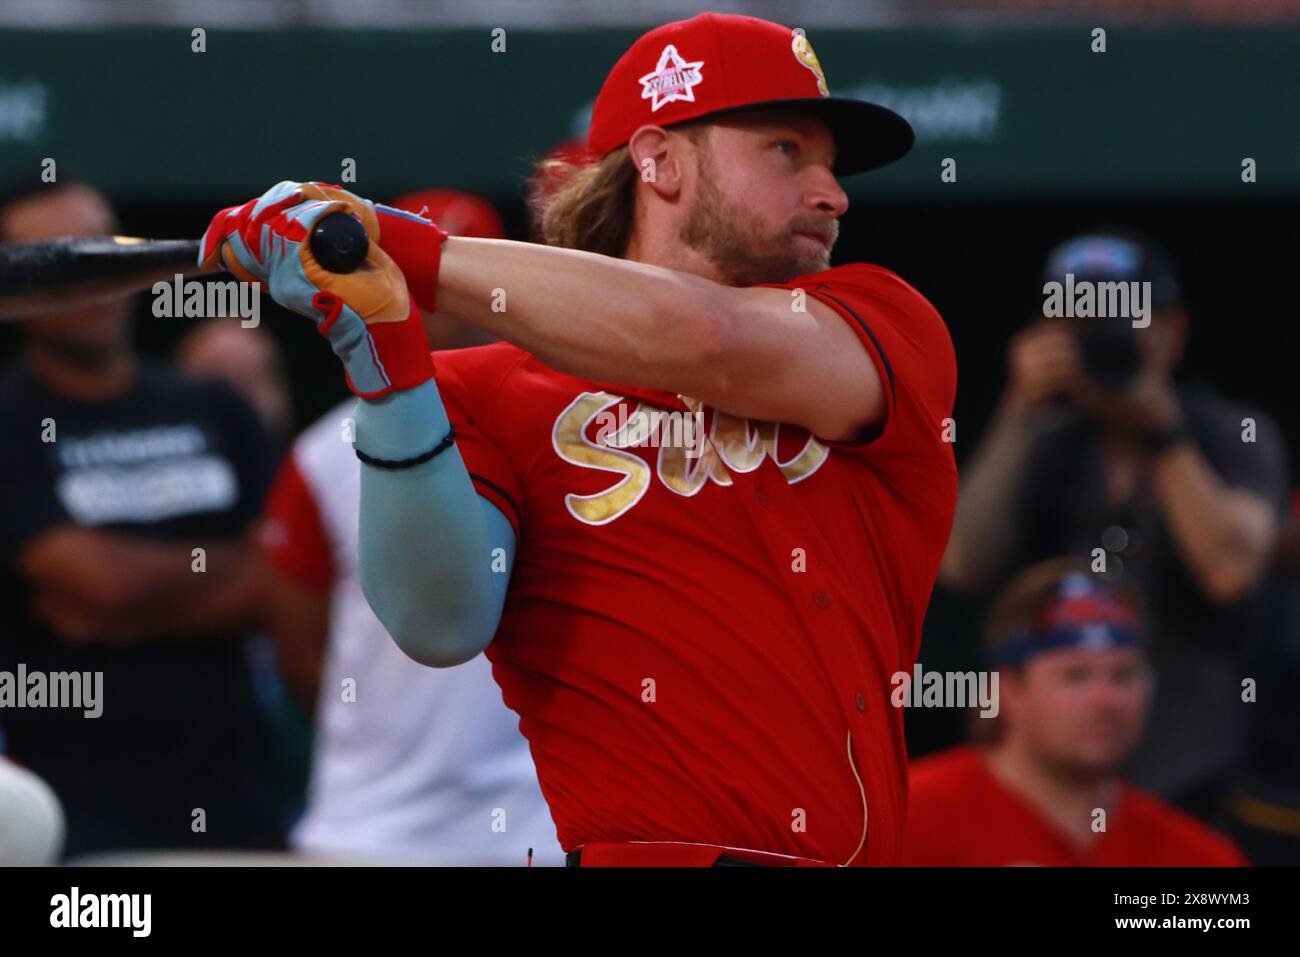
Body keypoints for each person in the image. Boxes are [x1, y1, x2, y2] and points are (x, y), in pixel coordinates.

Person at [198, 12, 957, 867]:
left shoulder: (884, 321)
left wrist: (402, 248)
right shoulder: (484, 389)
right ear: (658, 160)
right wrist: (389, 371)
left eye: (830, 165)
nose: (833, 193)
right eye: (787, 151)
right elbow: (438, 622)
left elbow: (705, 336)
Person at [939, 232, 1289, 820]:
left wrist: (1163, 433)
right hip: (1046, 781)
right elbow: (959, 563)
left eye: (1121, 321)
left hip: (1198, 779)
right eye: (1079, 324)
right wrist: (1018, 411)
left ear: (1171, 332)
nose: (1102, 340)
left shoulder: (1227, 432)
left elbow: (1231, 571)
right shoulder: (1042, 441)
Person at [260, 190, 563, 865]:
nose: (433, 308)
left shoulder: (558, 424)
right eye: (412, 284)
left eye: (442, 286)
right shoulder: (322, 447)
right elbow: (299, 643)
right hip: (373, 826)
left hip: (534, 826)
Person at [0, 180, 285, 858]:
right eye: (61, 257)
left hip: (238, 807)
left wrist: (124, 599)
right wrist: (223, 576)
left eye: (107, 249)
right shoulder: (8, 423)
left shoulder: (216, 407)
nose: (92, 279)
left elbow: (283, 583)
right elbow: (94, 590)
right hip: (70, 820)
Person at [903, 559, 1246, 866]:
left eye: (1123, 675)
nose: (1105, 699)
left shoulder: (1197, 856)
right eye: (1075, 676)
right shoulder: (906, 820)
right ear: (1007, 691)